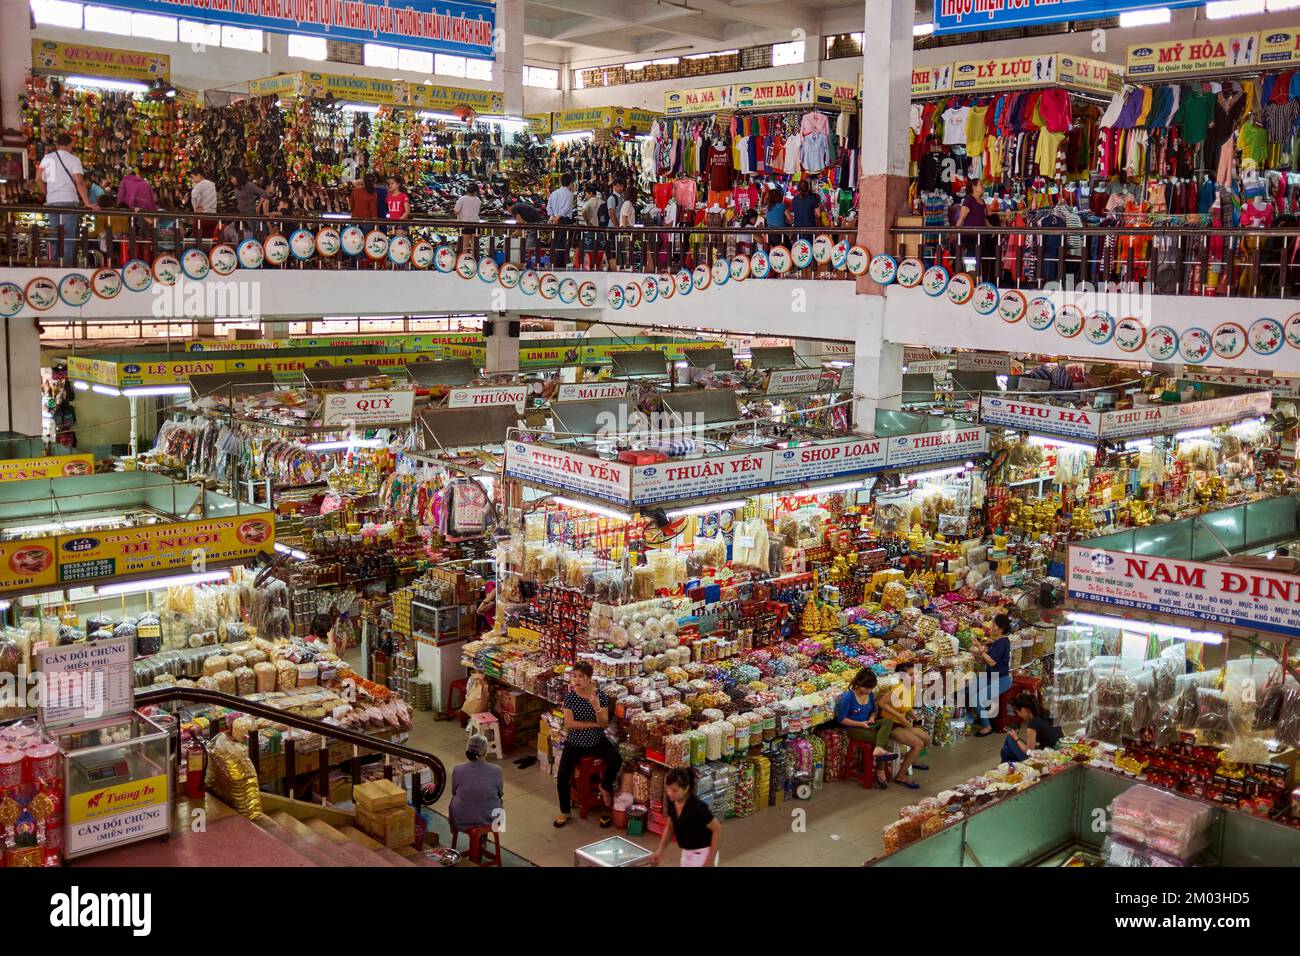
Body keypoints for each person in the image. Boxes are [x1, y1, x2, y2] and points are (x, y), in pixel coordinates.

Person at [553, 661, 621, 828]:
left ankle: (605, 786)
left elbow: (604, 723)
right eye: (574, 676)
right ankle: (565, 811)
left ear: (590, 679)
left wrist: (596, 707)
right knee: (562, 775)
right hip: (575, 742)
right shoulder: (571, 697)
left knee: (616, 759)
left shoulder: (600, 696)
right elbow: (570, 724)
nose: (576, 680)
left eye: (581, 677)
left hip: (596, 741)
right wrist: (592, 724)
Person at [834, 668, 898, 789]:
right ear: (859, 684)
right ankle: (880, 770)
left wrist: (872, 718)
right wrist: (861, 724)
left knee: (887, 722)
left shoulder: (870, 694)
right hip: (854, 728)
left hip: (868, 724)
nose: (868, 691)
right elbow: (842, 719)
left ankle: (878, 749)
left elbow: (874, 710)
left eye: (870, 689)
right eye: (867, 688)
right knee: (880, 739)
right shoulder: (848, 697)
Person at [38, 133, 94, 266]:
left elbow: (38, 179)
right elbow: (79, 183)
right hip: (69, 201)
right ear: (70, 144)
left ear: (57, 145)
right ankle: (65, 267)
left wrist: (47, 193)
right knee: (67, 237)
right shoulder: (74, 160)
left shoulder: (47, 158)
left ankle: (53, 265)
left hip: (52, 202)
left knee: (54, 235)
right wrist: (87, 203)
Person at [651, 767, 721, 867]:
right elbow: (670, 827)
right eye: (667, 788)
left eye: (674, 790)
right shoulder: (672, 801)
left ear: (686, 788)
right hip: (687, 852)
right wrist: (660, 850)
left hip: (703, 853)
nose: (670, 793)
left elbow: (717, 828)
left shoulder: (697, 807)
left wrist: (710, 859)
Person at [879, 662, 933, 789]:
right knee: (918, 744)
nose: (915, 677)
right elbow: (882, 703)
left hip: (902, 722)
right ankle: (901, 775)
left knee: (926, 739)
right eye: (911, 675)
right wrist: (898, 716)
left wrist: (914, 716)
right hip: (890, 723)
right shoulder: (899, 688)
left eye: (915, 674)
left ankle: (911, 761)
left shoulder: (911, 687)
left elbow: (905, 706)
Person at [448, 734, 504, 834]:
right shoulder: (496, 770)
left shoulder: (458, 770)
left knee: (456, 797)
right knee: (496, 800)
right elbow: (499, 793)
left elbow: (454, 792)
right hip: (491, 818)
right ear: (485, 751)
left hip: (461, 818)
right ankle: (482, 838)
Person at [972, 613, 1014, 737]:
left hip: (1001, 680)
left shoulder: (1001, 643)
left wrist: (979, 648)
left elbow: (991, 662)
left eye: (994, 625)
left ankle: (987, 726)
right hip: (991, 677)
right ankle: (980, 714)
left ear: (1000, 629)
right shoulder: (1001, 640)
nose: (991, 626)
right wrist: (990, 642)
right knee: (968, 689)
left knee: (977, 699)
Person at [1000, 694, 1062, 763]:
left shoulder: (1033, 724)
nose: (1019, 715)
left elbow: (1029, 752)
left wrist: (1016, 737)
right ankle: (1007, 764)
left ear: (1023, 710)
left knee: (1009, 739)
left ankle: (1005, 765)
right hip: (1059, 749)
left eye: (1017, 712)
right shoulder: (1047, 714)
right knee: (1006, 751)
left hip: (1048, 757)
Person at [954, 180, 988, 272]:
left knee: (981, 259)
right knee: (971, 259)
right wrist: (954, 232)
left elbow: (984, 218)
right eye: (980, 184)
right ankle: (970, 277)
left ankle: (978, 278)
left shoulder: (982, 201)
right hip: (970, 236)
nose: (983, 186)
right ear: (974, 187)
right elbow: (962, 217)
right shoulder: (968, 200)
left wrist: (992, 229)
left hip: (981, 236)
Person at [546, 172, 576, 267]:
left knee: (554, 242)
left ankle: (553, 263)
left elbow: (549, 206)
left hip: (555, 219)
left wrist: (554, 216)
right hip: (563, 220)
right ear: (570, 183)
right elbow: (566, 208)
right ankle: (559, 265)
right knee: (562, 243)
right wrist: (558, 217)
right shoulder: (569, 194)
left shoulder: (554, 193)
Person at [790, 178, 820, 245]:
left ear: (798, 188)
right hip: (809, 229)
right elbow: (819, 214)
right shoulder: (812, 199)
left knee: (798, 250)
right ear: (807, 188)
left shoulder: (794, 199)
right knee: (809, 250)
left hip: (797, 229)